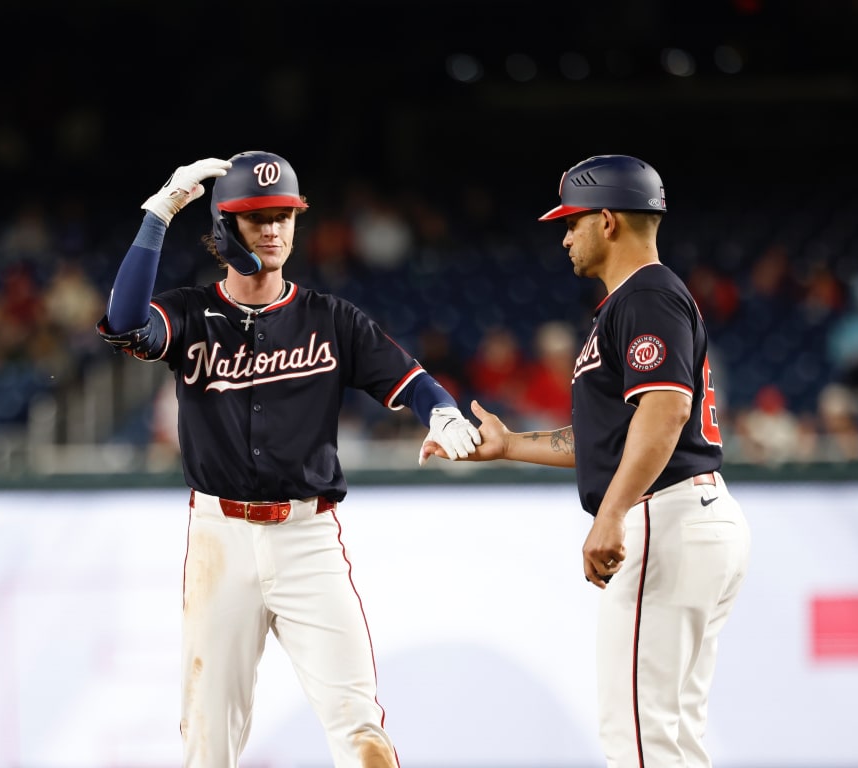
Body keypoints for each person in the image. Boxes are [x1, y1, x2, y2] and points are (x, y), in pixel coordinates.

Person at [96, 151, 481, 768]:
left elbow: (411, 380)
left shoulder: (330, 318)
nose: (274, 230)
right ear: (226, 229)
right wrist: (158, 216)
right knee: (207, 743)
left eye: (284, 215)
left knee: (361, 731)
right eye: (257, 218)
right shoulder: (192, 312)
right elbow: (123, 324)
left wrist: (439, 411)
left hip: (308, 539)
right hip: (220, 538)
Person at [421, 155, 751, 768]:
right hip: (691, 512)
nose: (564, 236)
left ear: (607, 221)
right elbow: (617, 433)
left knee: (638, 738)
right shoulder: (644, 299)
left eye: (570, 222)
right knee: (671, 735)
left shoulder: (645, 294)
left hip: (665, 514)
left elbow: (664, 413)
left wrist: (613, 513)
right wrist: (512, 443)